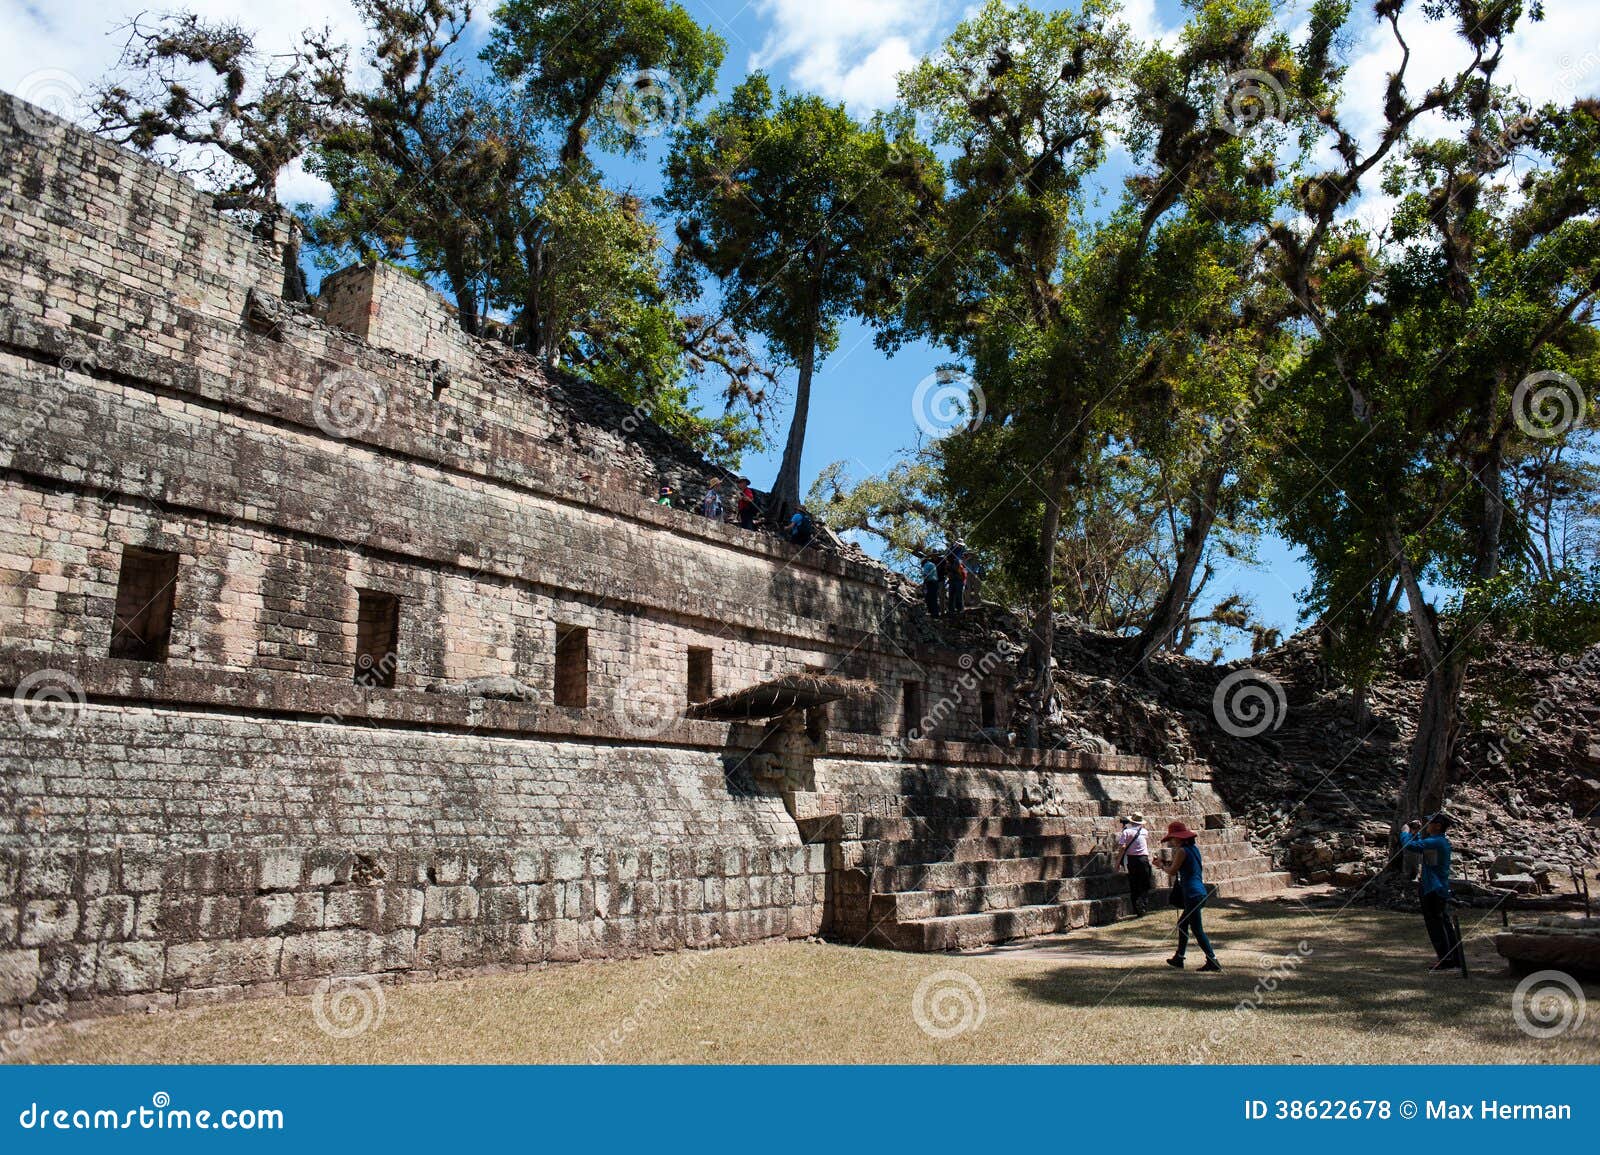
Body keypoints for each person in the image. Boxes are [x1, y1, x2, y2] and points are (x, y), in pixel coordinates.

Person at [1400, 812, 1461, 971]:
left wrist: (1405, 832)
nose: (1427, 825)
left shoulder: (1436, 842)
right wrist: (1417, 834)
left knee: (1436, 925)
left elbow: (1411, 846)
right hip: (1438, 887)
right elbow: (1422, 847)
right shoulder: (1438, 842)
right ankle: (1454, 958)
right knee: (1444, 923)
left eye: (1430, 823)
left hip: (1432, 888)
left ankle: (1445, 959)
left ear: (1438, 826)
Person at [1161, 820, 1221, 972]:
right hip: (1199, 892)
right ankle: (1179, 957)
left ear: (1179, 838)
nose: (1172, 842)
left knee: (1197, 929)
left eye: (1173, 839)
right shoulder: (1194, 849)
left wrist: (1161, 866)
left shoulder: (1182, 851)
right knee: (1182, 924)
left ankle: (1212, 960)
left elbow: (1173, 871)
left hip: (1191, 894)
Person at [1115, 812, 1153, 916]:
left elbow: (1122, 847)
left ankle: (1137, 908)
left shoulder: (1126, 832)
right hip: (1143, 859)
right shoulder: (1144, 831)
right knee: (1145, 883)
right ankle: (1143, 905)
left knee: (1134, 883)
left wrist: (1117, 862)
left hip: (1132, 860)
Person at [947, 541, 969, 613]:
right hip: (952, 579)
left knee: (959, 594)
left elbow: (957, 568)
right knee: (951, 595)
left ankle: (960, 609)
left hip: (959, 579)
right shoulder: (953, 550)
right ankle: (951, 609)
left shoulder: (961, 555)